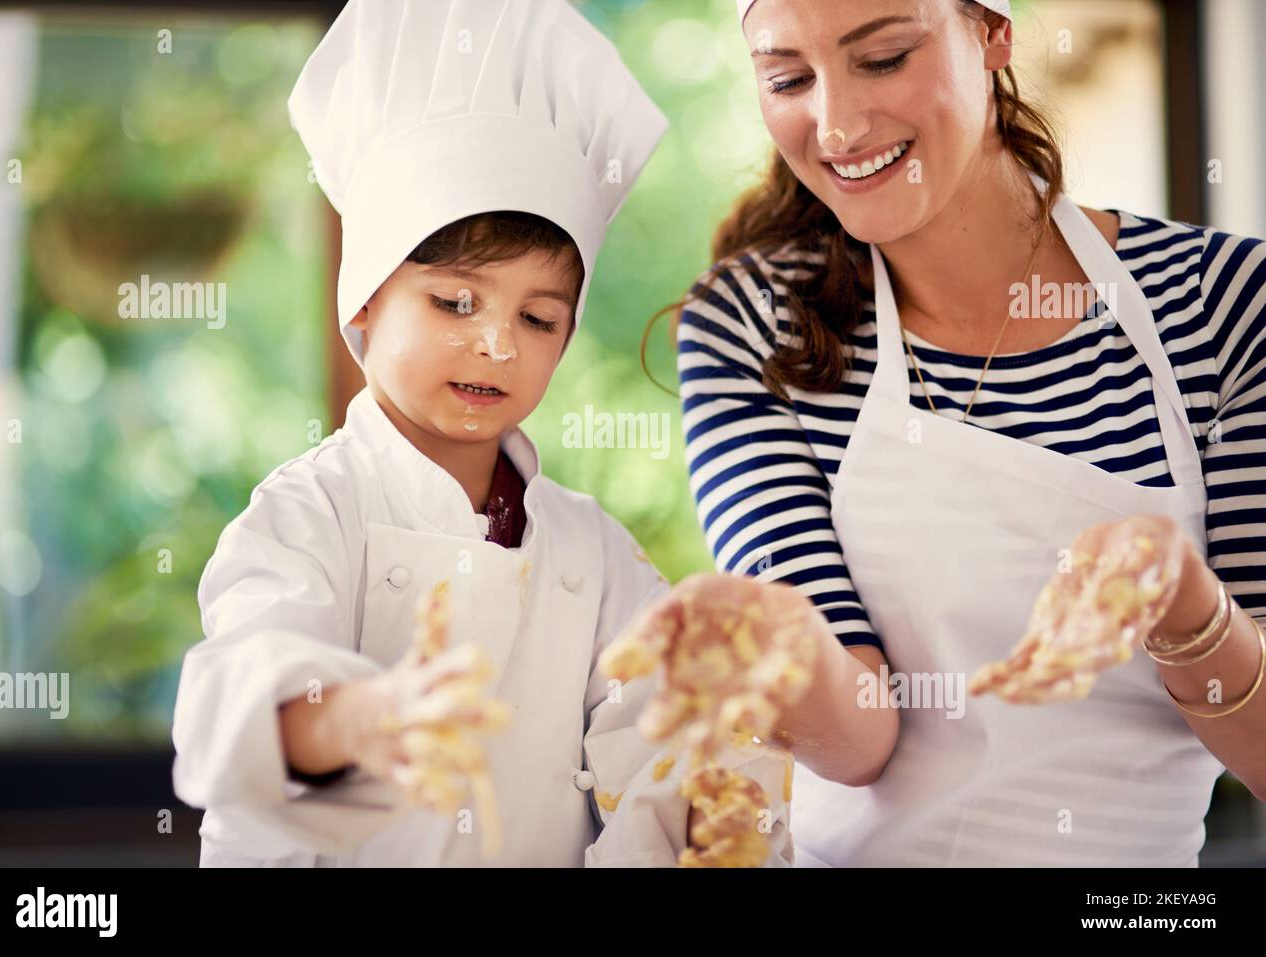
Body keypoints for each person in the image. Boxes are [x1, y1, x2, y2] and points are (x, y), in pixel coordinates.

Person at [171, 0, 794, 868]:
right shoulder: (312, 513)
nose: (497, 343)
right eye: (455, 301)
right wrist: (357, 718)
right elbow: (235, 699)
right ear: (362, 298)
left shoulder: (596, 553)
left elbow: (660, 750)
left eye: (538, 319)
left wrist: (722, 775)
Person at [671, 0, 1266, 865]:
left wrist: (1187, 608)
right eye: (789, 79)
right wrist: (773, 648)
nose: (835, 124)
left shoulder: (1227, 305)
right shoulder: (754, 324)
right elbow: (859, 742)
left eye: (882, 58)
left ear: (993, 34)